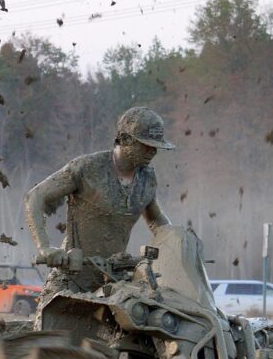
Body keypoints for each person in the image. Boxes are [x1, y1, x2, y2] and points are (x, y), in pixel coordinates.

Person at [23, 106, 175, 293]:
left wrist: (177, 240)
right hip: (72, 278)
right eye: (147, 145)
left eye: (156, 146)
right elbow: (35, 197)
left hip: (114, 280)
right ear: (125, 139)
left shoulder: (147, 178)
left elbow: (156, 219)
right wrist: (44, 247)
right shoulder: (87, 168)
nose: (153, 152)